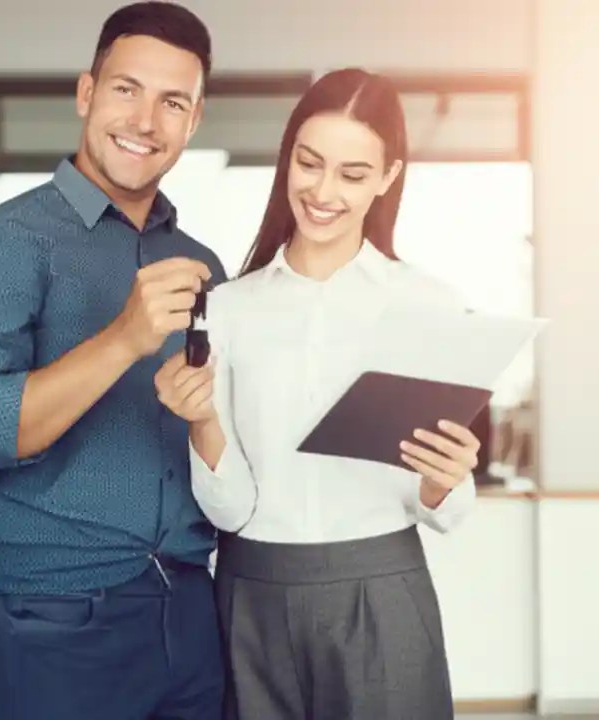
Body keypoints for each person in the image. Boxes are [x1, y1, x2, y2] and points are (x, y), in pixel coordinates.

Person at [154, 68, 483, 719]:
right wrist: (201, 422)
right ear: (287, 160)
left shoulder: (429, 305)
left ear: (388, 177)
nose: (323, 192)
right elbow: (230, 509)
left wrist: (445, 479)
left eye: (353, 174)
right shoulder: (229, 309)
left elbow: (446, 511)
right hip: (251, 594)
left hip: (382, 593)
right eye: (309, 164)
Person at [0, 3, 227, 719]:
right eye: (126, 89)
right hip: (63, 619)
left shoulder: (201, 265)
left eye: (172, 102)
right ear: (86, 93)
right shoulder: (4, 241)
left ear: (193, 121)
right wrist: (123, 337)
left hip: (192, 609)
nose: (145, 121)